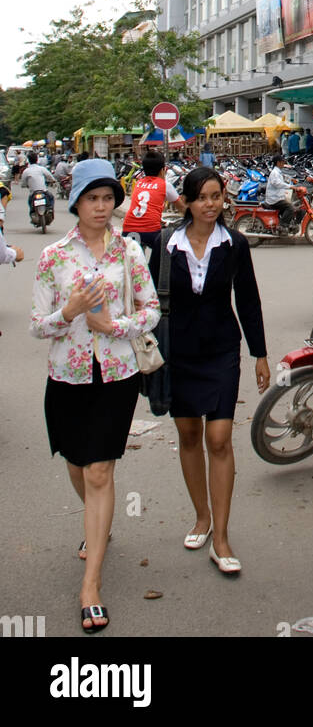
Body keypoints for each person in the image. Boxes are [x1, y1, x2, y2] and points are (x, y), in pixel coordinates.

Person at [30, 159, 160, 633]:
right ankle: (98, 524)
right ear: (76, 203)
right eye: (92, 198)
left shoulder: (129, 252)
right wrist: (68, 312)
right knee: (76, 463)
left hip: (117, 374)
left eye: (108, 198)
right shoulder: (54, 257)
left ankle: (91, 585)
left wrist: (114, 326)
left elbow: (151, 310)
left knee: (100, 470)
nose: (101, 207)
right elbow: (37, 326)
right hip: (67, 376)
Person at [152, 167, 269, 573]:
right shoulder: (166, 244)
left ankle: (221, 537)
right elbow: (148, 299)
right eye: (201, 197)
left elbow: (248, 299)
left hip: (221, 349)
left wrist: (259, 353)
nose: (210, 204)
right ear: (186, 202)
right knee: (189, 434)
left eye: (216, 196)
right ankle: (201, 517)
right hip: (178, 352)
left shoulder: (235, 244)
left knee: (218, 439)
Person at [121, 151, 180, 258]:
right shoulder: (165, 185)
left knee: (131, 262)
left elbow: (144, 207)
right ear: (162, 171)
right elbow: (182, 208)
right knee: (165, 256)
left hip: (128, 229)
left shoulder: (138, 183)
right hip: (151, 231)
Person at [264, 155, 295, 227]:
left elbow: (282, 178)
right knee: (290, 208)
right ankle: (282, 226)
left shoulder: (278, 172)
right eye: (282, 162)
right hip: (274, 199)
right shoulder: (275, 172)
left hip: (278, 197)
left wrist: (291, 180)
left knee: (292, 203)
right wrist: (290, 186)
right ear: (278, 163)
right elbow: (277, 184)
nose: (283, 164)